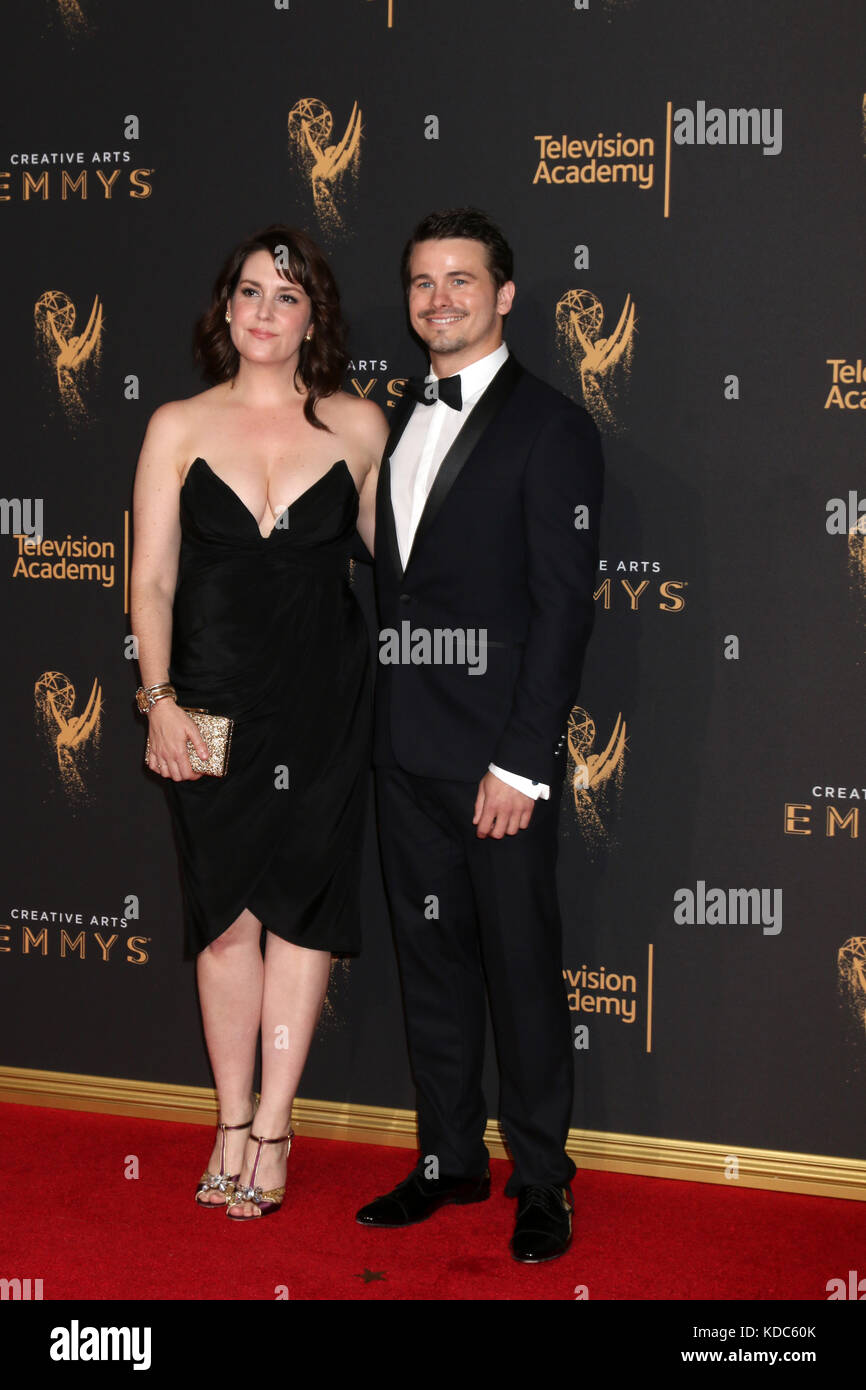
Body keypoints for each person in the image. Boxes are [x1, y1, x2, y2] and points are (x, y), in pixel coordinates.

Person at [356, 208, 604, 1262]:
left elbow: (563, 606)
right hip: (403, 753)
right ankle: (448, 1160)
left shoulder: (551, 427)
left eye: (460, 280)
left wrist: (521, 761)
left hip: (494, 763)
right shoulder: (392, 417)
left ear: (504, 295)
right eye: (421, 281)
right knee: (431, 967)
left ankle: (541, 1178)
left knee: (518, 968)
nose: (438, 299)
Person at [131, 225, 387, 1219]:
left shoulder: (358, 426)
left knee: (302, 919)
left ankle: (274, 1127)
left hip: (324, 711)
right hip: (209, 708)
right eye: (248, 293)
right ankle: (229, 1117)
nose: (264, 313)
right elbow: (150, 579)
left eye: (286, 296)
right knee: (225, 918)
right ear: (224, 309)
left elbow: (398, 561)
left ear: (313, 315)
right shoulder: (177, 426)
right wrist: (159, 700)